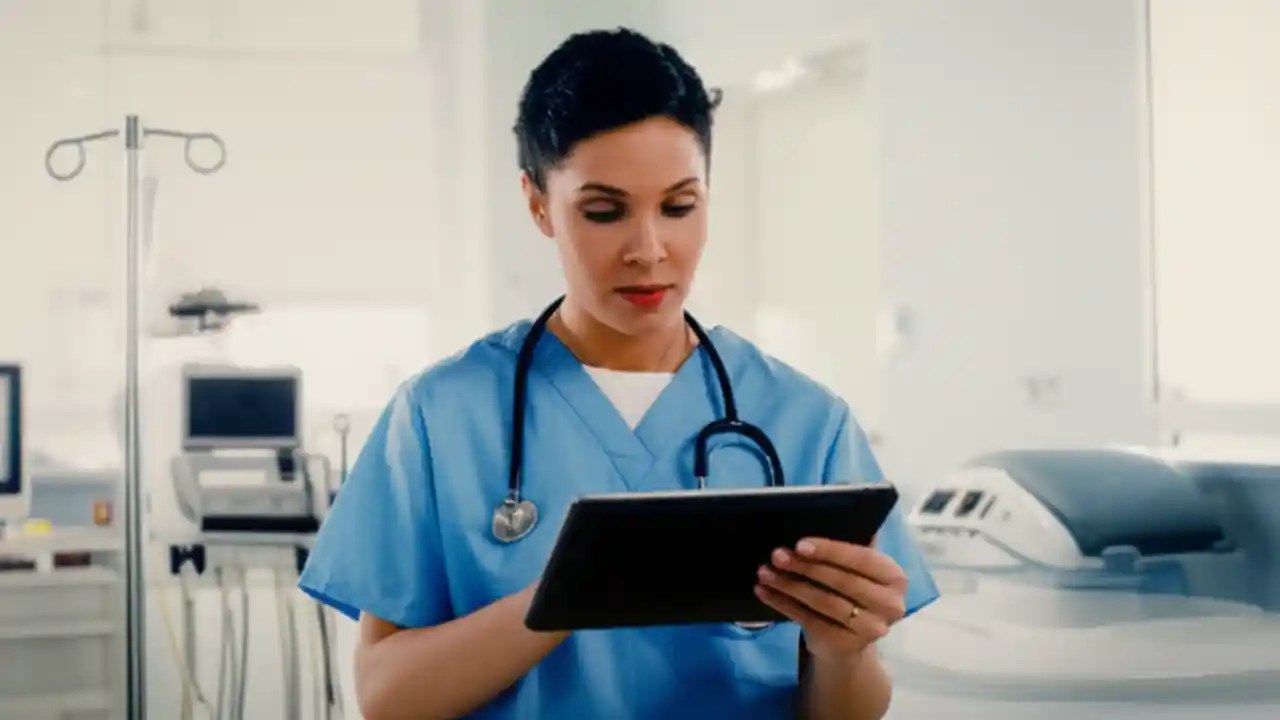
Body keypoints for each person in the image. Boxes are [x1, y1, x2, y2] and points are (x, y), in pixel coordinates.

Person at [298, 26, 939, 720]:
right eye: (604, 212)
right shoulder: (441, 414)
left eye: (679, 207)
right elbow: (387, 696)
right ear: (538, 204)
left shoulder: (805, 420)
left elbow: (848, 708)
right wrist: (568, 593)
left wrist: (843, 653)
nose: (649, 249)